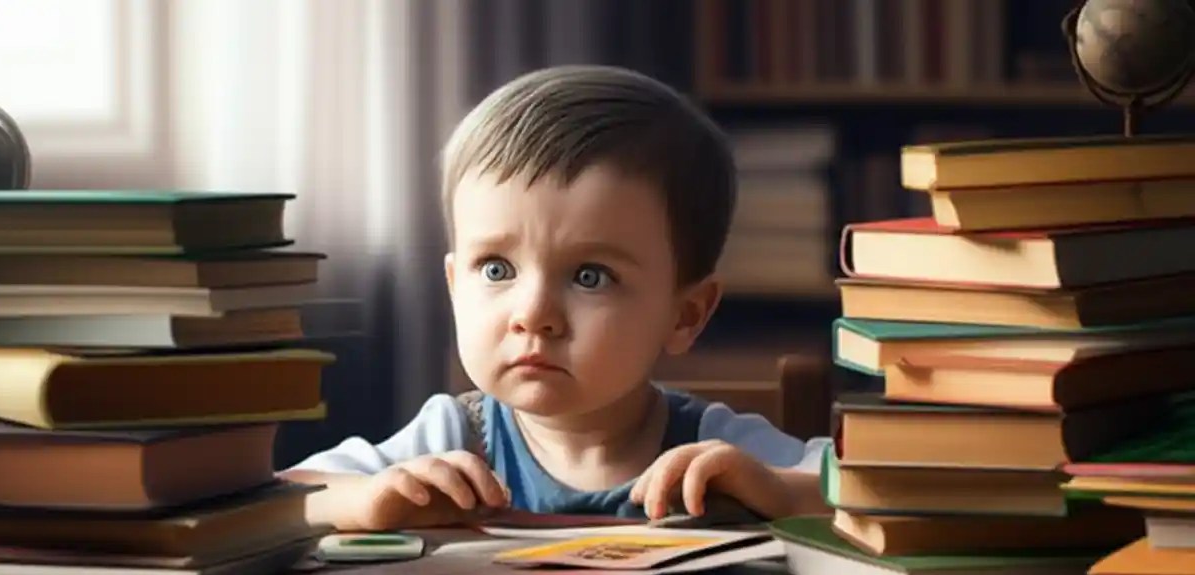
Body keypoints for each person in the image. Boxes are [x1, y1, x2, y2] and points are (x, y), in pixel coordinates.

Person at [281, 65, 829, 531]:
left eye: (590, 276)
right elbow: (283, 493)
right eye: (496, 268)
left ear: (685, 314)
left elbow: (886, 495)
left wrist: (779, 493)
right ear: (454, 288)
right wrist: (369, 500)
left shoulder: (711, 448)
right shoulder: (457, 435)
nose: (534, 315)